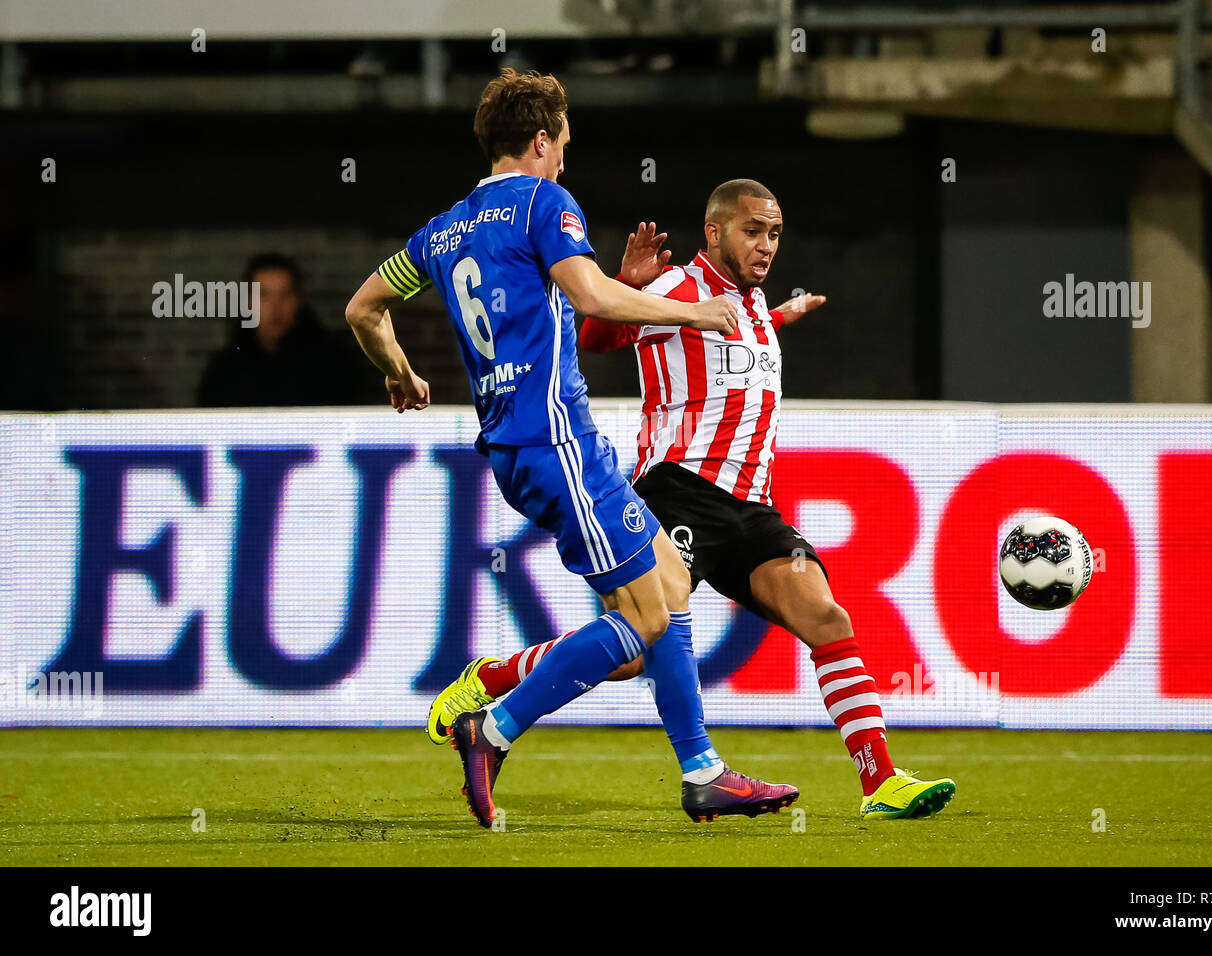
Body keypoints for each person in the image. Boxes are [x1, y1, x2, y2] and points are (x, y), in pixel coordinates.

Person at [343, 69, 797, 828]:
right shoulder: (543, 202)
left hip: (520, 444)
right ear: (542, 140)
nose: (565, 161)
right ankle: (494, 724)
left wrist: (402, 374)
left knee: (671, 584)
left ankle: (702, 771)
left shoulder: (443, 228)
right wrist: (695, 313)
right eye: (563, 146)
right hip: (555, 440)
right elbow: (592, 298)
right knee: (648, 616)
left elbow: (365, 308)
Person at [438, 180, 957, 821]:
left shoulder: (756, 306)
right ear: (715, 232)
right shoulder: (680, 287)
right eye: (752, 231)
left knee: (828, 620)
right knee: (633, 647)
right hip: (680, 493)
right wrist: (626, 284)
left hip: (751, 510)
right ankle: (500, 681)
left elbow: (730, 359)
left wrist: (782, 317)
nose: (765, 245)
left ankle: (881, 783)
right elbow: (596, 336)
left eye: (774, 233)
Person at [198, 252, 363, 407]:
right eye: (263, 295)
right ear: (248, 301)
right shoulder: (224, 372)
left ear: (298, 300)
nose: (275, 308)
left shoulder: (332, 367)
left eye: (285, 295)